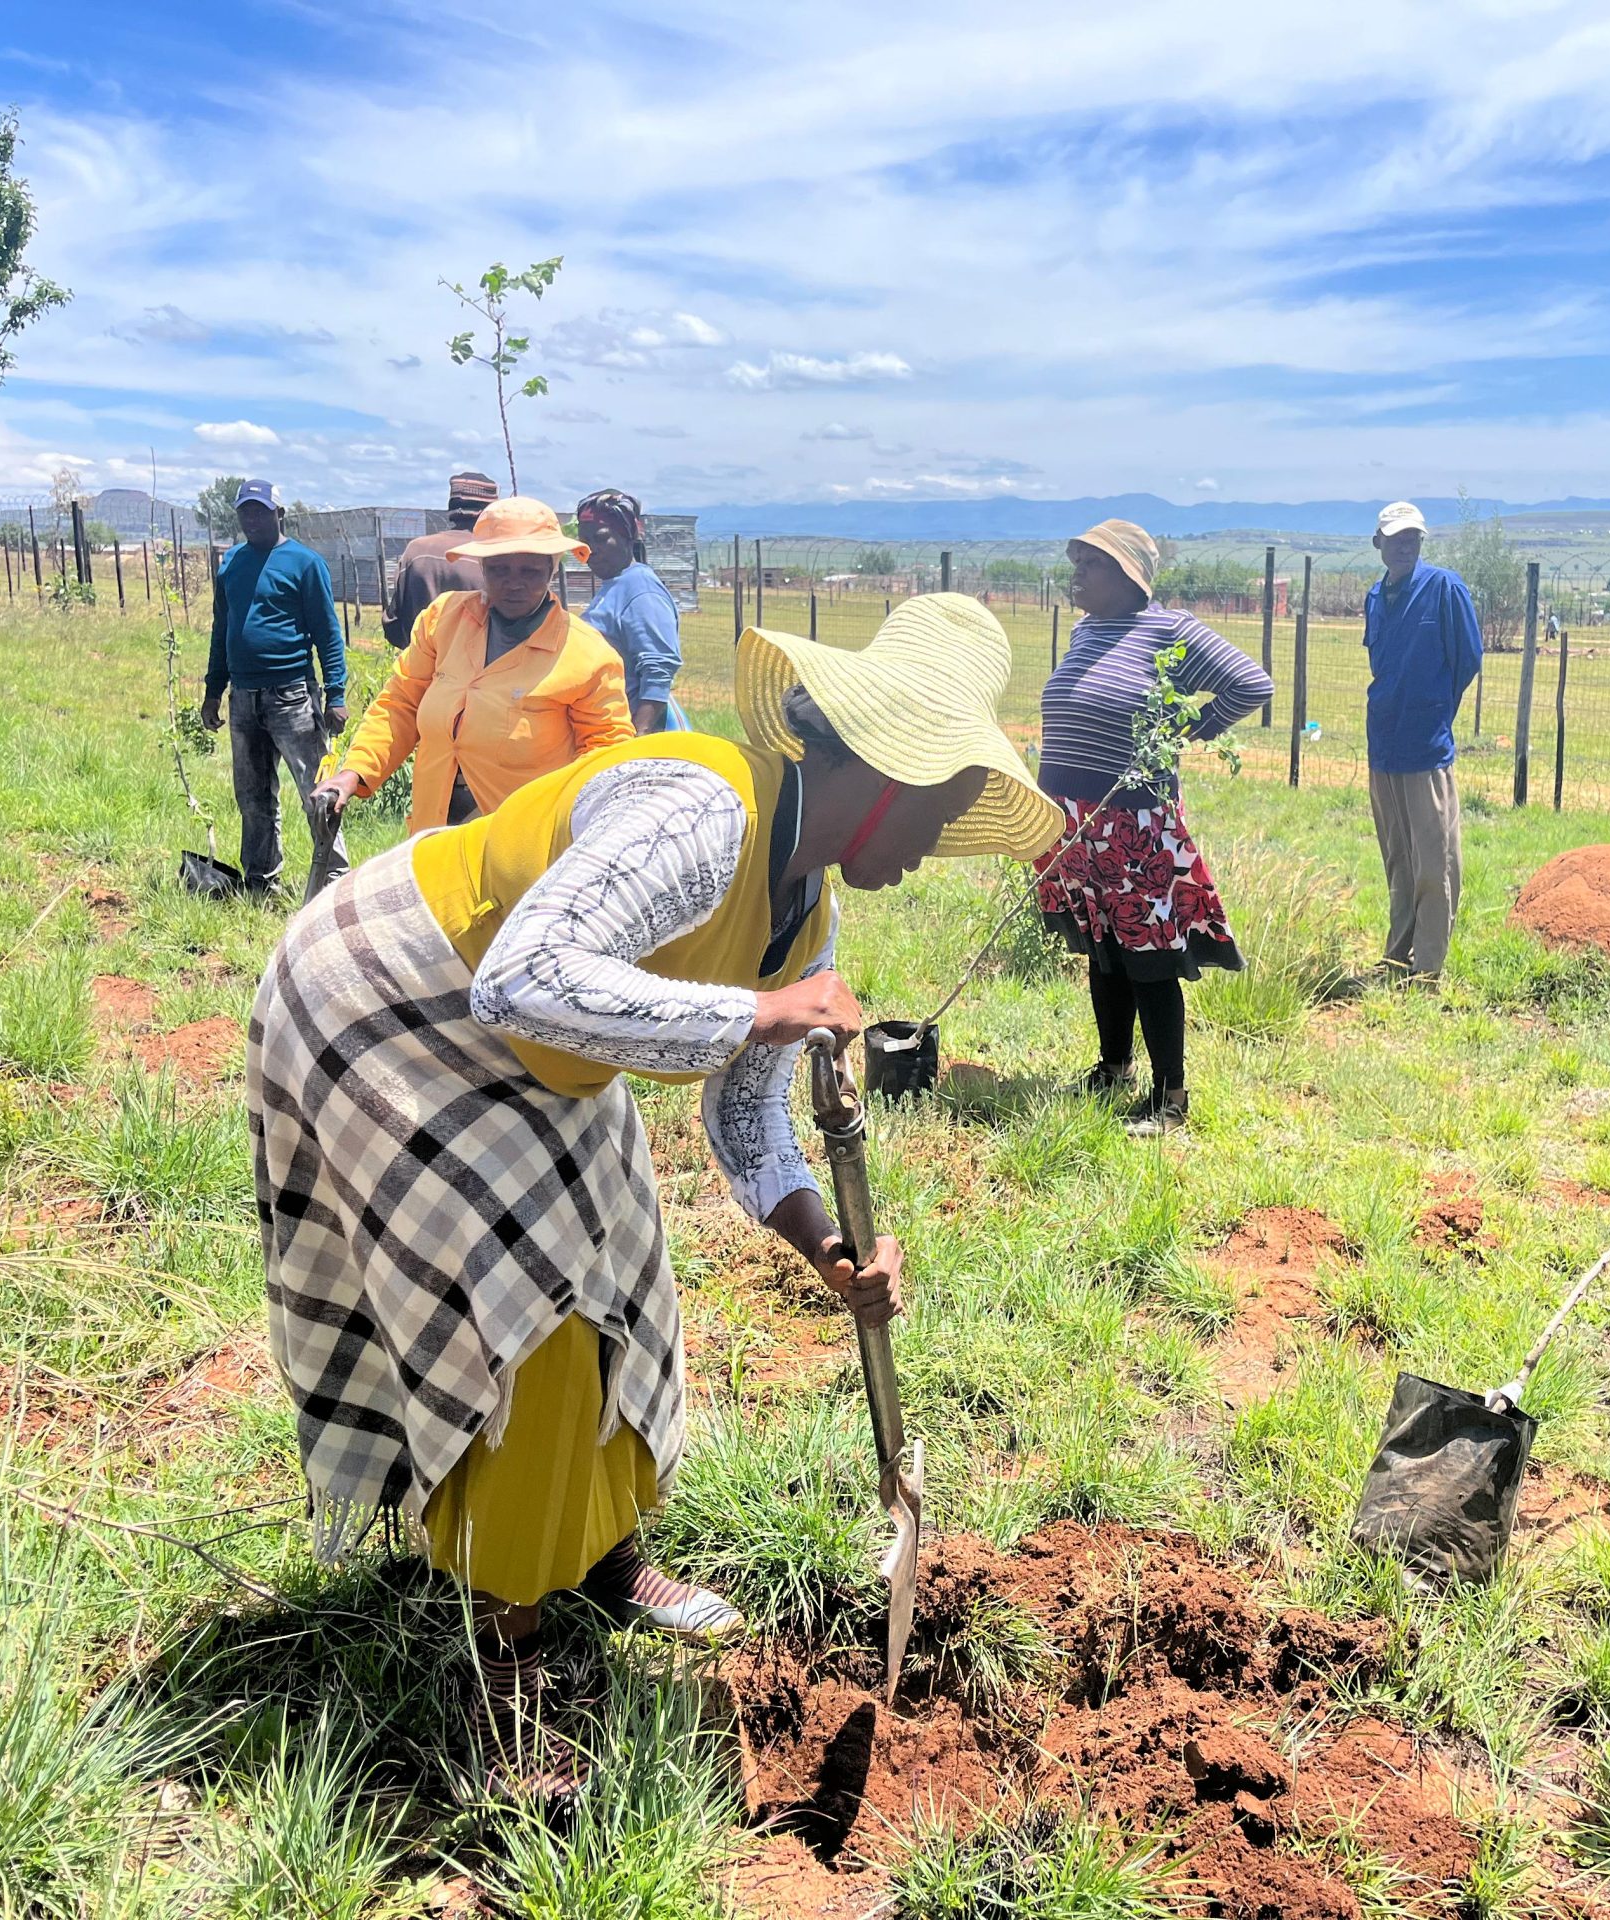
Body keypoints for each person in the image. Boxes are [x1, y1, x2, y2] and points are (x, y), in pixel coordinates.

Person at [253, 595, 1061, 1798]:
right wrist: (757, 1013)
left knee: (625, 1266)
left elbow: (746, 1118)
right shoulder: (701, 814)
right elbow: (524, 977)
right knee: (528, 1320)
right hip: (395, 998)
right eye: (945, 808)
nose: (944, 839)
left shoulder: (807, 908)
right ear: (881, 770)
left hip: (536, 1042)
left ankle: (602, 1556)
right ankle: (505, 1669)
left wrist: (824, 1245)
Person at [1034, 517, 1273, 1136]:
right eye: (1077, 561)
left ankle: (1171, 1094)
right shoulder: (1088, 631)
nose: (1077, 573)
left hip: (1133, 822)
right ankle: (1113, 1068)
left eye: (1091, 563)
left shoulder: (1167, 631)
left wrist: (1198, 726)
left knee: (1148, 952)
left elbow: (1251, 683)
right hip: (1078, 819)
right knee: (1104, 947)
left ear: (1128, 575)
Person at [314, 497, 635, 838]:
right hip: (433, 836)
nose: (514, 582)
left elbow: (606, 757)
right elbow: (401, 704)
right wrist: (355, 772)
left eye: (530, 570)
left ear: (552, 569)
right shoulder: (444, 620)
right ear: (481, 566)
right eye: (499, 568)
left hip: (524, 848)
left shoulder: (587, 655)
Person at [201, 480, 350, 902]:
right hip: (244, 696)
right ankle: (260, 881)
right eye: (245, 511)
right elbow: (221, 629)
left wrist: (336, 694)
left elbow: (327, 632)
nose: (252, 519)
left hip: (293, 696)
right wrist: (215, 690)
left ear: (278, 514)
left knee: (317, 793)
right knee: (252, 795)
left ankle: (335, 884)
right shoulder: (231, 563)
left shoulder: (304, 563)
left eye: (260, 511)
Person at [1361, 501, 1484, 985]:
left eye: (1413, 536)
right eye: (1396, 537)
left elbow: (1467, 660)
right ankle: (1396, 955)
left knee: (1435, 860)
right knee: (1397, 857)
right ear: (1379, 544)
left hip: (1426, 746)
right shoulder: (1375, 596)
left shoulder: (1444, 589)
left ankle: (1427, 967)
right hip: (1383, 745)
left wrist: (1436, 709)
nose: (1405, 544)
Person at [574, 489, 687, 733]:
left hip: (637, 732)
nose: (590, 550)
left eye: (601, 538)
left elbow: (658, 668)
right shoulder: (615, 584)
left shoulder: (641, 589)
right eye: (584, 542)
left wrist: (637, 741)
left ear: (627, 537)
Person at [381, 470, 495, 649]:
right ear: (490, 510)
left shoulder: (416, 551)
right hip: (478, 670)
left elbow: (393, 623)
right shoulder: (494, 556)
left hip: (421, 670)